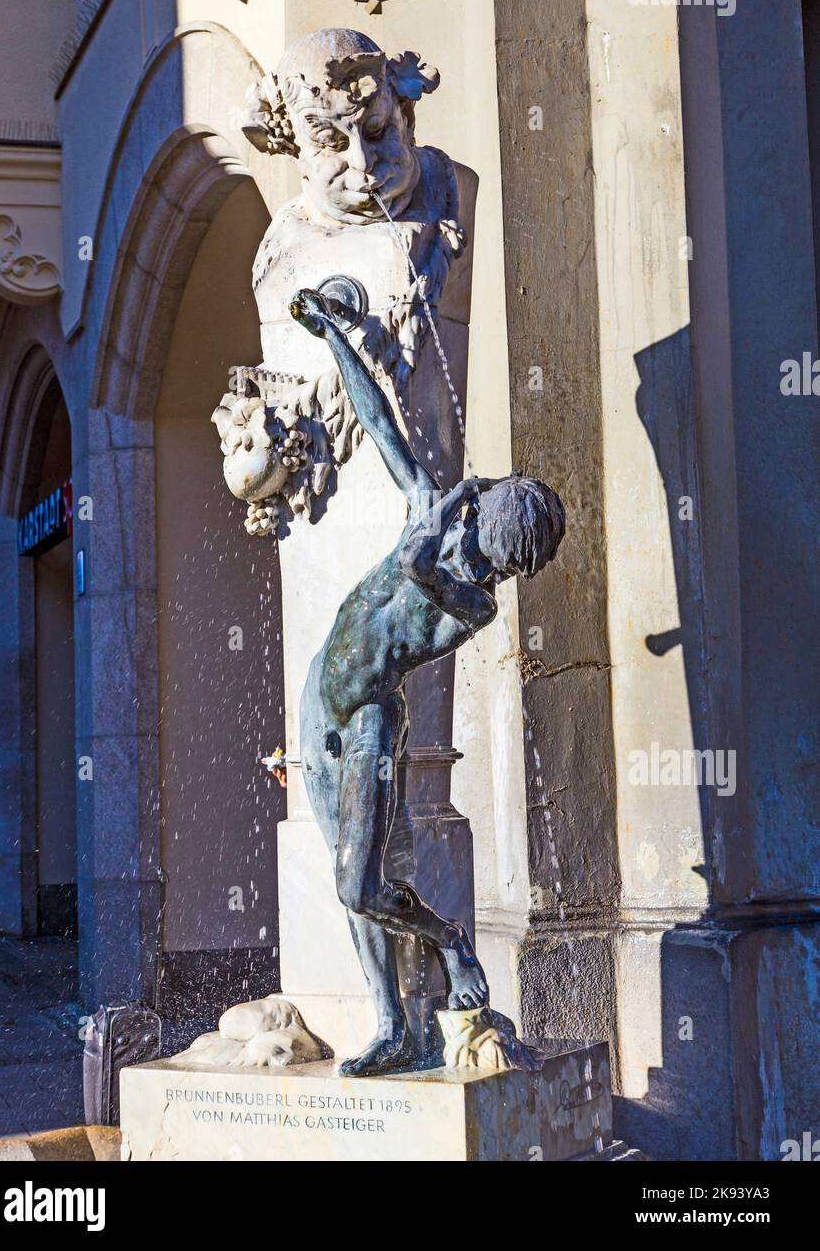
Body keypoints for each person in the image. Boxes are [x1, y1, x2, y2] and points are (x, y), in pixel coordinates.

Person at [290, 287, 565, 1076]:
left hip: (373, 723)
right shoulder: (431, 508)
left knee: (355, 882)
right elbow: (376, 417)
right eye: (485, 551)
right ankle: (394, 1026)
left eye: (495, 567)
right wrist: (332, 335)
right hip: (320, 700)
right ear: (484, 521)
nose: (483, 569)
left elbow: (418, 569)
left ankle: (449, 940)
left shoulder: (470, 603)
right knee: (358, 879)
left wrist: (439, 518)